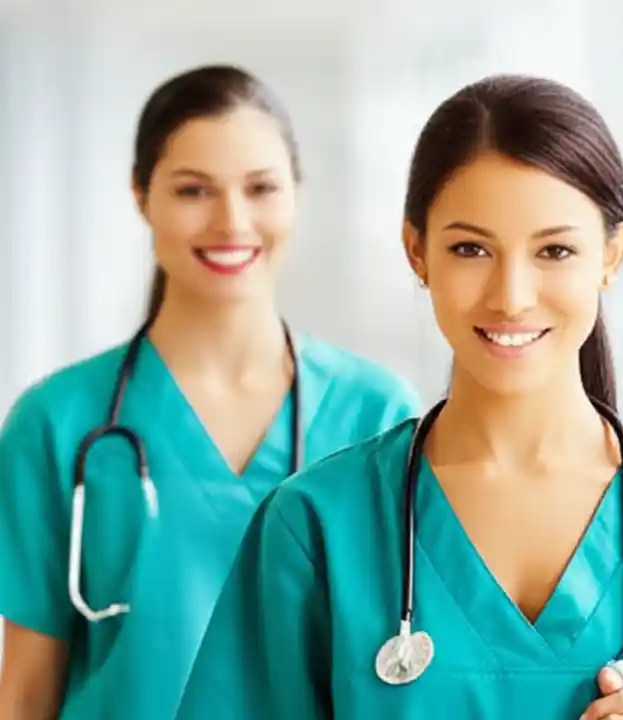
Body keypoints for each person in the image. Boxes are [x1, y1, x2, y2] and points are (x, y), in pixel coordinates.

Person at [173, 73, 623, 720]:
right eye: (471, 250)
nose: (510, 296)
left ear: (613, 254)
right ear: (417, 252)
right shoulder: (318, 527)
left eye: (554, 252)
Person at [0, 64, 422, 719]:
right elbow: (25, 692)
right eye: (194, 190)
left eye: (261, 188)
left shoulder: (378, 415)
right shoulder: (57, 423)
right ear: (141, 196)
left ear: (296, 196)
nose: (231, 221)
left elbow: (405, 665)